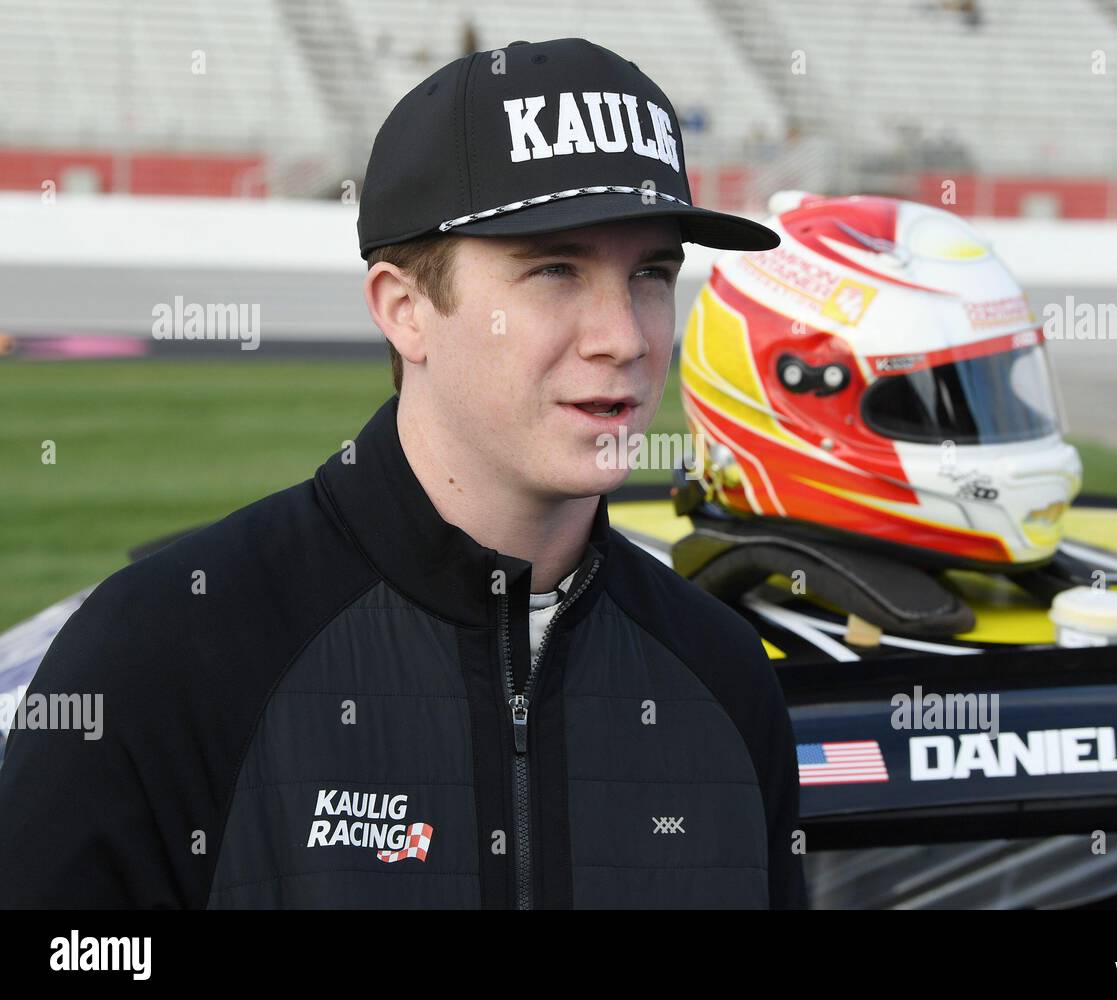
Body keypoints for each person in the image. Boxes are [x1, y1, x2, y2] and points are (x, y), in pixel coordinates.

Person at [0, 37, 806, 910]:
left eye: (651, 273)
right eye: (554, 271)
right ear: (405, 309)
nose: (626, 335)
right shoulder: (161, 652)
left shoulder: (722, 673)